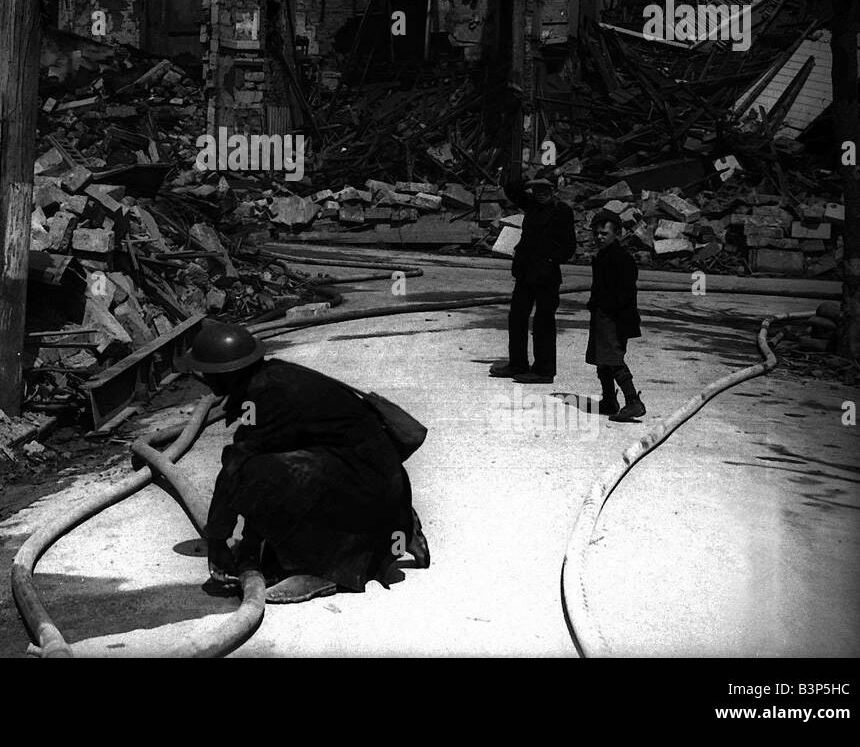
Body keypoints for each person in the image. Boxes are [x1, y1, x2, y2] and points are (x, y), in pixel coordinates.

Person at [176, 321, 430, 604]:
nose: (205, 380)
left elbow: (238, 466)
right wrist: (248, 545)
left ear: (226, 374)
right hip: (376, 477)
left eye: (208, 374)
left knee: (255, 473)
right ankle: (396, 521)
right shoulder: (272, 376)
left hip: (370, 485)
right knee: (264, 467)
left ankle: (321, 570)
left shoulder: (268, 394)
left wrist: (218, 539)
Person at [489, 168, 576, 385]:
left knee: (543, 323)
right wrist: (528, 179)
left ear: (554, 190)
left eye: (546, 188)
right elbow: (511, 189)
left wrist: (549, 259)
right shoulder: (532, 205)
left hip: (546, 276)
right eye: (537, 188)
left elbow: (569, 247)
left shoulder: (562, 211)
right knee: (517, 318)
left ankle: (544, 371)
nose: (541, 192)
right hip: (525, 274)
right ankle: (517, 364)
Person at [586, 210, 646, 422]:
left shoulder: (622, 259)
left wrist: (608, 310)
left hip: (615, 317)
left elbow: (624, 294)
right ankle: (609, 399)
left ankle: (633, 401)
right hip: (602, 314)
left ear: (616, 234)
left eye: (604, 233)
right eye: (597, 234)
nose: (600, 237)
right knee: (601, 359)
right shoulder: (602, 256)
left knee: (613, 359)